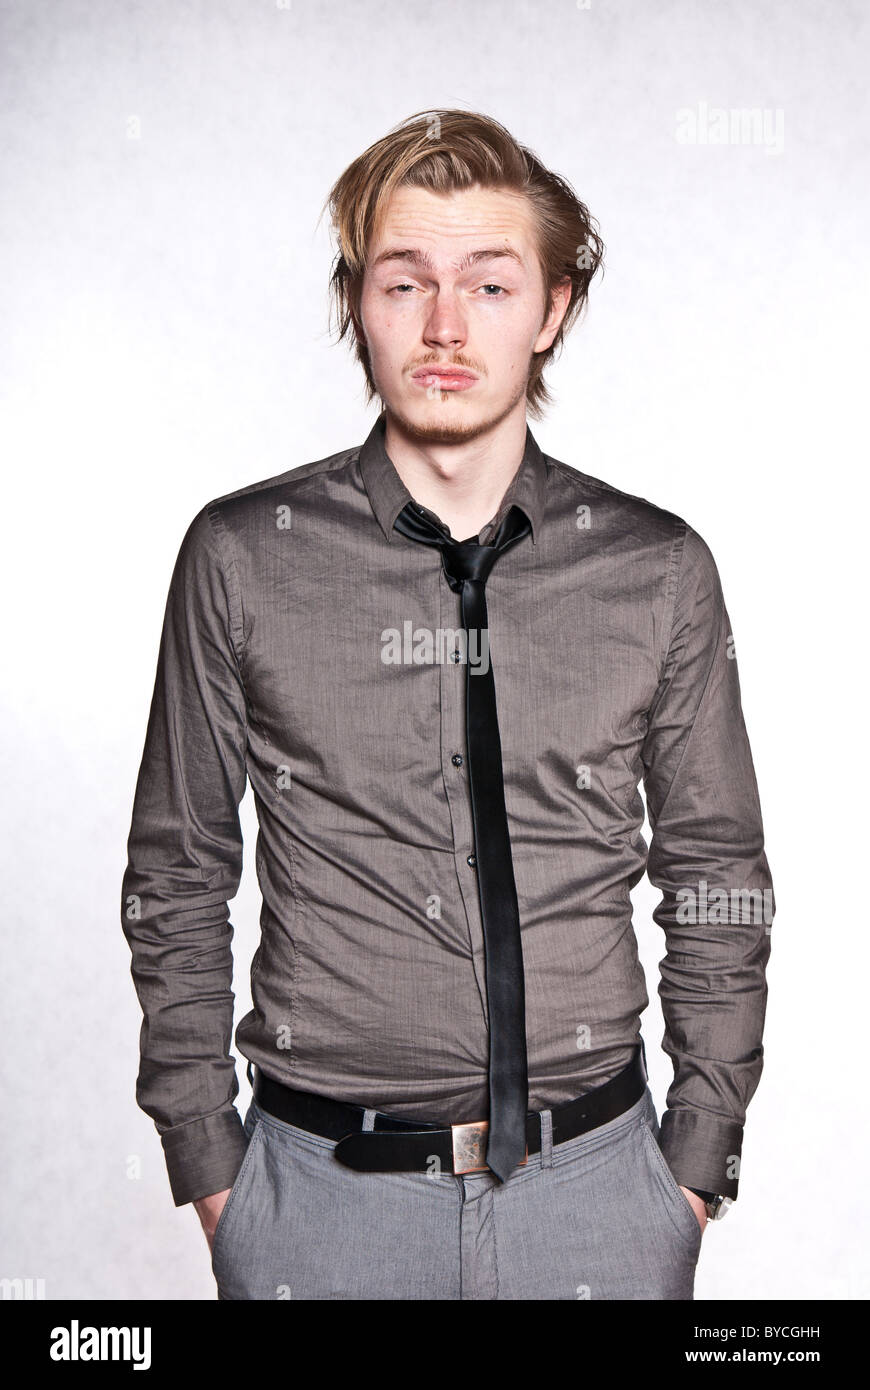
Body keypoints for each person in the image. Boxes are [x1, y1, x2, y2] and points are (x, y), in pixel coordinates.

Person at [121, 108, 774, 1301]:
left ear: (554, 311)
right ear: (353, 304)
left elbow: (717, 871)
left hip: (603, 1204)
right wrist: (209, 1160)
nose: (443, 326)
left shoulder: (658, 568)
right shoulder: (240, 557)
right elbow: (177, 871)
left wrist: (692, 1167)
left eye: (489, 283)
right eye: (402, 281)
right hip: (318, 1208)